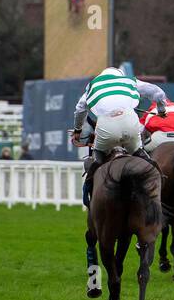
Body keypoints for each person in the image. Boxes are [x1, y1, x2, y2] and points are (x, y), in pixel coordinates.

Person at [72, 66, 168, 208]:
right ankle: (159, 181)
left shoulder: (93, 85)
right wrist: (161, 110)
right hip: (130, 122)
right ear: (120, 75)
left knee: (97, 155)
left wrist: (77, 130)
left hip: (106, 126)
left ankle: (88, 191)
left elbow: (80, 109)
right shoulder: (129, 81)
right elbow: (158, 93)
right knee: (140, 153)